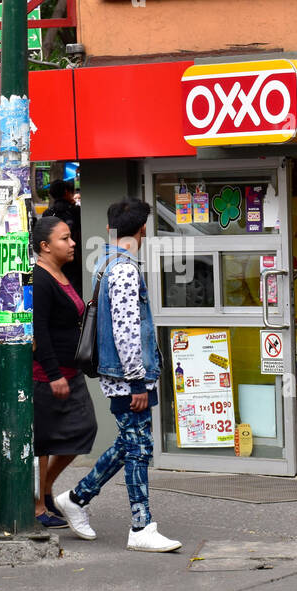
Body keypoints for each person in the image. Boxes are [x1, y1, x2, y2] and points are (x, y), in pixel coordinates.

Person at [54, 198, 181, 552]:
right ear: (142, 230)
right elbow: (126, 331)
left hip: (120, 374)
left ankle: (77, 499)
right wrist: (138, 381)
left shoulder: (107, 261)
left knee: (131, 443)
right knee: (139, 448)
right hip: (127, 377)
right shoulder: (124, 269)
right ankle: (141, 526)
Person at [30, 215, 97, 528]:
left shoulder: (60, 272)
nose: (72, 244)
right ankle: (37, 507)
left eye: (71, 238)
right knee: (43, 441)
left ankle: (45, 489)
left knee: (84, 429)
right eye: (64, 239)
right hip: (49, 375)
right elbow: (39, 331)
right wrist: (54, 373)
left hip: (71, 370)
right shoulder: (41, 279)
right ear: (45, 246)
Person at [42, 179, 83, 296]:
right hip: (74, 257)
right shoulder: (75, 211)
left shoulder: (47, 213)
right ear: (66, 192)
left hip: (53, 256)